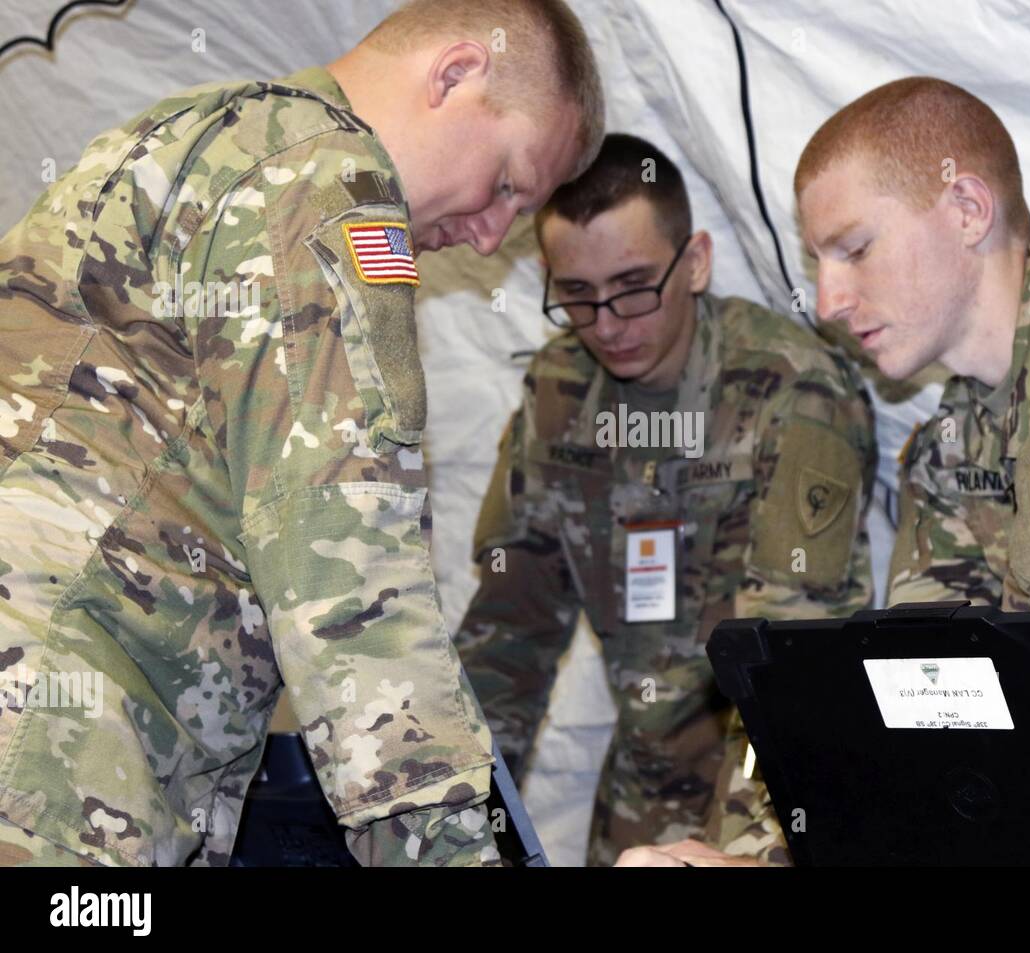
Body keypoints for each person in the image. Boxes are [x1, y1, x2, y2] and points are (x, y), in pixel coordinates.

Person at [622, 75, 1030, 867]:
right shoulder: (960, 435)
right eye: (817, 262)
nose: (830, 300)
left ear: (969, 211)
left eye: (855, 249)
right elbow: (919, 699)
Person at [0, 0, 604, 867]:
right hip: (55, 753)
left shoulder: (181, 134)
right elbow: (351, 579)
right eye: (508, 182)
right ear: (455, 73)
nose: (490, 232)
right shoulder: (327, 180)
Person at [453, 133, 877, 865]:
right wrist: (457, 825)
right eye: (578, 296)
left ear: (698, 262)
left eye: (634, 286)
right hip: (637, 808)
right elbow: (508, 631)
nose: (609, 324)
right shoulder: (560, 391)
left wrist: (741, 859)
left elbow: (797, 667)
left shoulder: (793, 391)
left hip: (774, 805)